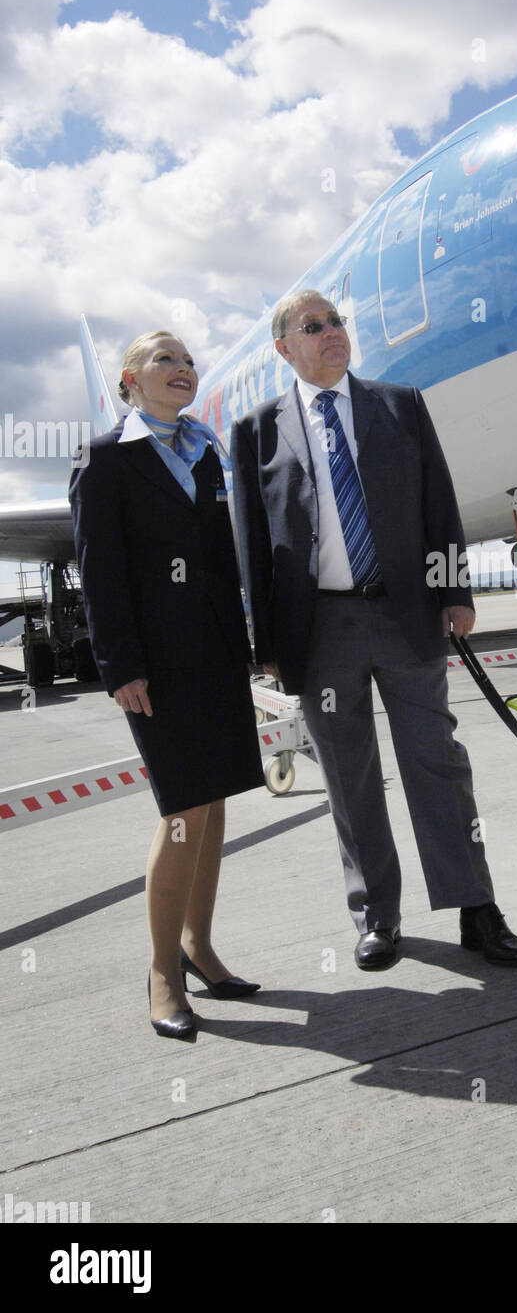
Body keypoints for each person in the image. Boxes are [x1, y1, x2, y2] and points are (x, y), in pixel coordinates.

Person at [230, 290, 517, 971]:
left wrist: (453, 591)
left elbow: (438, 504)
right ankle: (376, 917)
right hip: (319, 626)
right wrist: (267, 645)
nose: (332, 332)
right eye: (314, 326)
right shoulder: (256, 432)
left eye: (337, 321)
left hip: (404, 615)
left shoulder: (398, 406)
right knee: (348, 774)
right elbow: (252, 544)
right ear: (285, 350)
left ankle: (475, 907)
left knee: (438, 763)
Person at [70, 330, 266, 1040]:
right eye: (164, 360)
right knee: (182, 808)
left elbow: (220, 561)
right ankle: (161, 972)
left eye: (187, 360)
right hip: (153, 662)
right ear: (131, 378)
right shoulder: (104, 459)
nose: (182, 370)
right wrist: (119, 666)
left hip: (212, 653)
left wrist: (248, 645)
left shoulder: (204, 450)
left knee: (212, 808)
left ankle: (199, 946)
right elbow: (100, 571)